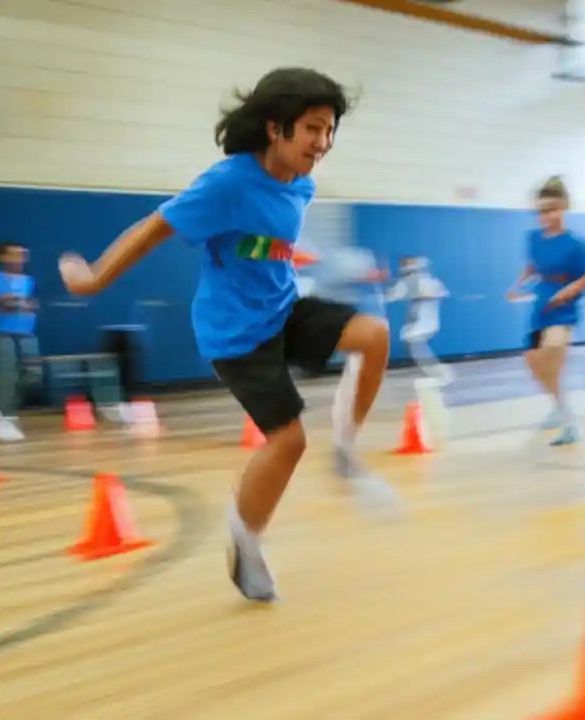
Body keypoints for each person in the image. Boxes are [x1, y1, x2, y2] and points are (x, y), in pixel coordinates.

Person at [57, 68, 392, 603]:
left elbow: (265, 244)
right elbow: (153, 229)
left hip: (283, 308)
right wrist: (94, 276)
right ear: (274, 127)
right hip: (236, 334)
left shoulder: (300, 183)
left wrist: (295, 258)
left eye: (329, 131)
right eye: (312, 128)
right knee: (289, 441)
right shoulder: (227, 182)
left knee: (374, 335)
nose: (322, 143)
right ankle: (245, 541)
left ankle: (348, 454)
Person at [506, 177, 585, 446]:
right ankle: (557, 406)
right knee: (535, 363)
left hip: (563, 308)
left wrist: (568, 291)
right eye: (542, 211)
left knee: (552, 352)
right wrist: (518, 283)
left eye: (552, 209)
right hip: (540, 305)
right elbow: (532, 266)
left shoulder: (577, 244)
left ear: (564, 207)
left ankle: (570, 423)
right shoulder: (533, 238)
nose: (547, 216)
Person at [0, 241, 41, 442]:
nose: (20, 259)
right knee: (6, 375)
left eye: (22, 254)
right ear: (2, 258)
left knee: (34, 373)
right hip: (1, 332)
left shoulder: (27, 280)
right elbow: (3, 303)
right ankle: (4, 415)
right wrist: (18, 303)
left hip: (27, 332)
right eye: (15, 254)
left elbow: (24, 303)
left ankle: (4, 409)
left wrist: (20, 303)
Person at [386, 255, 451, 385]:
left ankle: (439, 374)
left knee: (414, 343)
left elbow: (392, 295)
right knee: (413, 343)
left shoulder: (414, 281)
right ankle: (437, 372)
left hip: (424, 321)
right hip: (422, 321)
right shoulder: (425, 280)